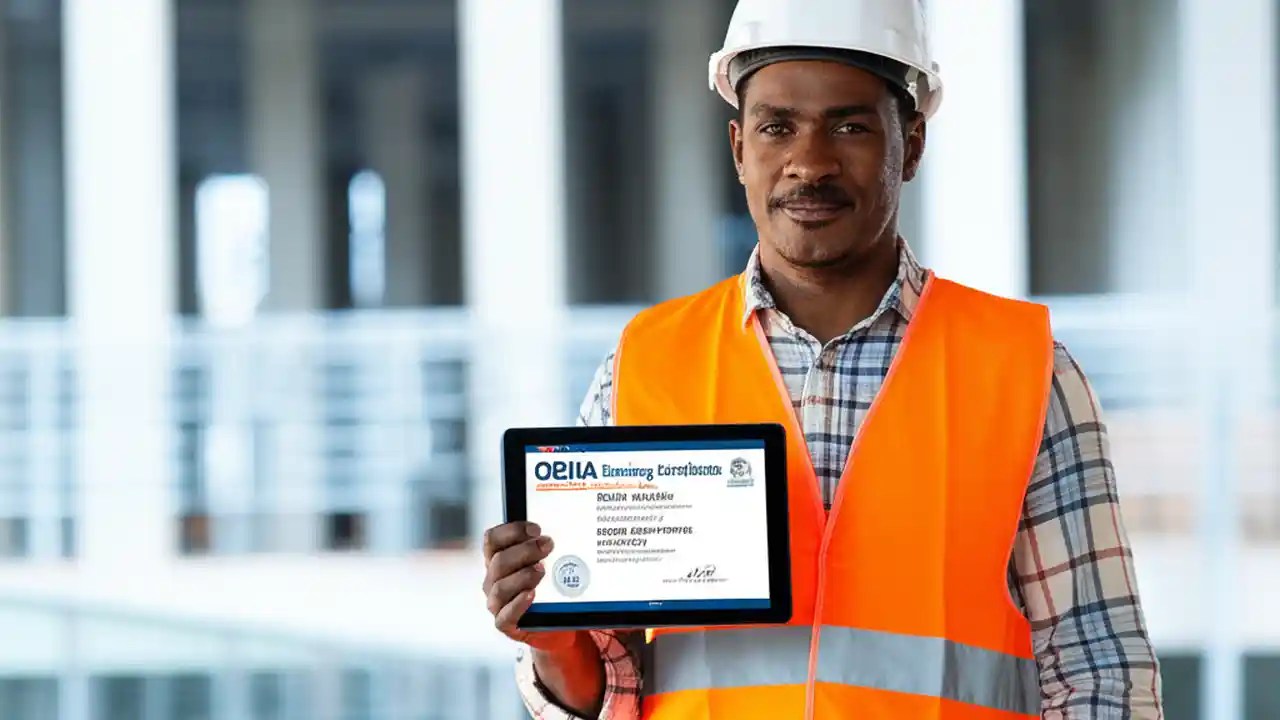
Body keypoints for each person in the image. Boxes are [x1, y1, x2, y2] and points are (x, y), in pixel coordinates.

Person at [481, 0, 1164, 717]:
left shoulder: (1025, 372)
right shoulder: (646, 363)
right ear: (740, 147)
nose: (810, 162)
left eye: (851, 125)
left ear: (914, 142)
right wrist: (550, 641)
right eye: (779, 127)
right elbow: (612, 689)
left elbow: (1101, 675)